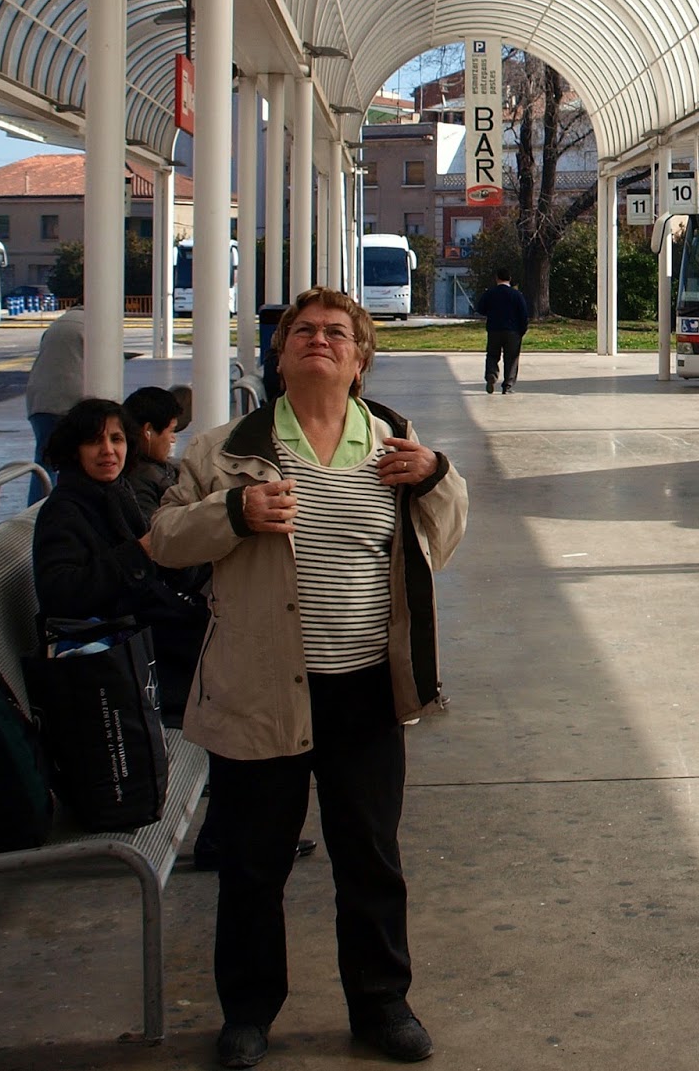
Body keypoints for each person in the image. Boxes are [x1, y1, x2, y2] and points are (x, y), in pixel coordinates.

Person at [149, 287, 467, 1068]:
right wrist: (233, 511)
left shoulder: (396, 443)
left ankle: (382, 1004)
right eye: (302, 330)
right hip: (260, 687)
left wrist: (436, 476)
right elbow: (162, 539)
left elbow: (444, 539)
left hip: (364, 686)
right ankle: (249, 1013)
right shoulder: (227, 450)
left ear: (360, 359)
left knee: (369, 853)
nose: (317, 339)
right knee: (255, 860)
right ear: (281, 352)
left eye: (336, 332)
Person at [31, 398, 209, 726]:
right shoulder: (65, 510)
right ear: (74, 450)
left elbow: (156, 558)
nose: (108, 450)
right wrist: (138, 554)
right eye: (94, 440)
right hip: (117, 653)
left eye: (116, 439)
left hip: (140, 637)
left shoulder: (114, 492)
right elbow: (59, 593)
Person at [25, 302, 85, 504]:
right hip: (72, 402)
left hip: (40, 401)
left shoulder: (58, 324)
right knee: (78, 462)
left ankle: (34, 512)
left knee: (44, 462)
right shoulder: (94, 325)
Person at [120, 384, 194, 521]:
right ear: (148, 430)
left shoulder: (153, 469)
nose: (173, 439)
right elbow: (156, 531)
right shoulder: (139, 481)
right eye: (171, 431)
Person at [472, 268, 528, 393]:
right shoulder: (517, 295)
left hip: (494, 329)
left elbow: (480, 309)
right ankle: (508, 385)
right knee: (512, 358)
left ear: (497, 278)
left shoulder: (490, 293)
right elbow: (523, 314)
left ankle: (491, 375)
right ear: (510, 279)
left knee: (492, 355)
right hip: (513, 331)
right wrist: (522, 330)